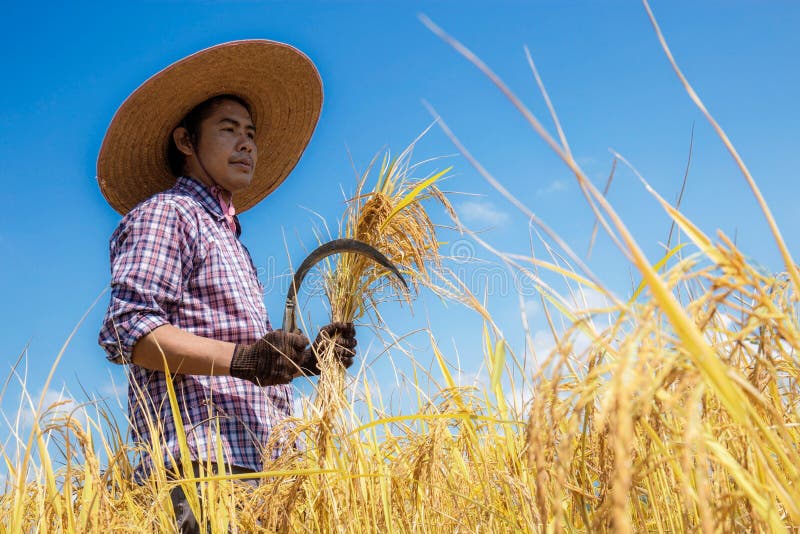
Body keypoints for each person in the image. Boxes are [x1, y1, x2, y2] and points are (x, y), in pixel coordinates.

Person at [96, 40, 356, 532]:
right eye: (229, 129)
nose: (247, 144)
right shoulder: (168, 214)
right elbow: (129, 331)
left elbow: (248, 356)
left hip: (261, 470)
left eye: (251, 133)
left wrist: (303, 360)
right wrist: (244, 359)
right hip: (201, 469)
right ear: (185, 141)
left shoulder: (232, 241)